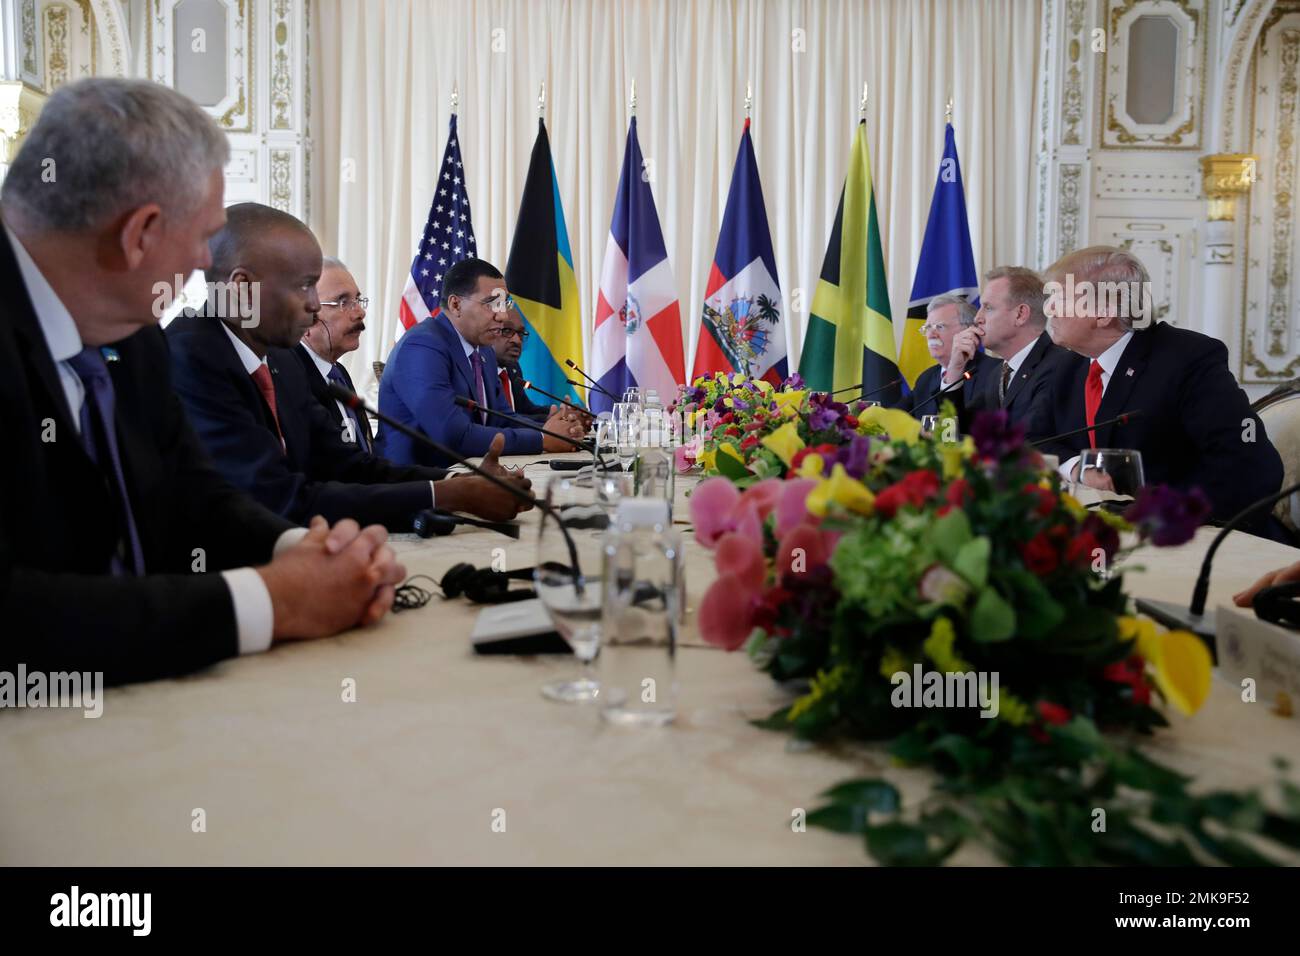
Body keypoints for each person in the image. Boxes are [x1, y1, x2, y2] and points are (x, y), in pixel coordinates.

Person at [0, 78, 404, 686]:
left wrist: (300, 550)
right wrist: (276, 601)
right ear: (140, 234)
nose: (202, 265)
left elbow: (193, 494)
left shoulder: (132, 335)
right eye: (200, 238)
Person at [168, 204, 531, 531]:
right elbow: (278, 499)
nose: (314, 306)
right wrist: (451, 495)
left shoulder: (281, 359)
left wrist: (458, 478)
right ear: (243, 287)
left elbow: (347, 465)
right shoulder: (190, 357)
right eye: (305, 286)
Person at [1031, 245, 1282, 529]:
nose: (1048, 309)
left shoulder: (1189, 359)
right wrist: (1078, 468)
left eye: (1058, 299)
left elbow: (1249, 468)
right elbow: (1034, 438)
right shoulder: (1068, 366)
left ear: (1102, 313)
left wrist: (1154, 512)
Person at [377, 258, 585, 468]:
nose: (503, 315)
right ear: (456, 304)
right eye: (492, 304)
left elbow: (502, 418)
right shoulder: (422, 347)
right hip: (420, 486)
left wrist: (556, 427)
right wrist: (543, 439)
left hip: (468, 475)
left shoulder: (483, 349)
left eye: (504, 303)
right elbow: (453, 435)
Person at [964, 266, 1085, 425]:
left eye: (988, 307)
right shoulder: (998, 374)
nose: (977, 318)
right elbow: (960, 433)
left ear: (1020, 314)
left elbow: (1033, 438)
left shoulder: (1061, 366)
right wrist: (954, 372)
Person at [295, 256, 377, 451]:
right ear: (305, 317)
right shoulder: (293, 380)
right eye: (342, 302)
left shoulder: (338, 373)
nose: (360, 313)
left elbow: (365, 462)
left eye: (357, 299)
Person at [894, 293, 998, 418]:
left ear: (968, 331)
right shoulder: (926, 378)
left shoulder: (995, 373)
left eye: (940, 326)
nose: (931, 335)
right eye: (927, 327)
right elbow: (894, 418)